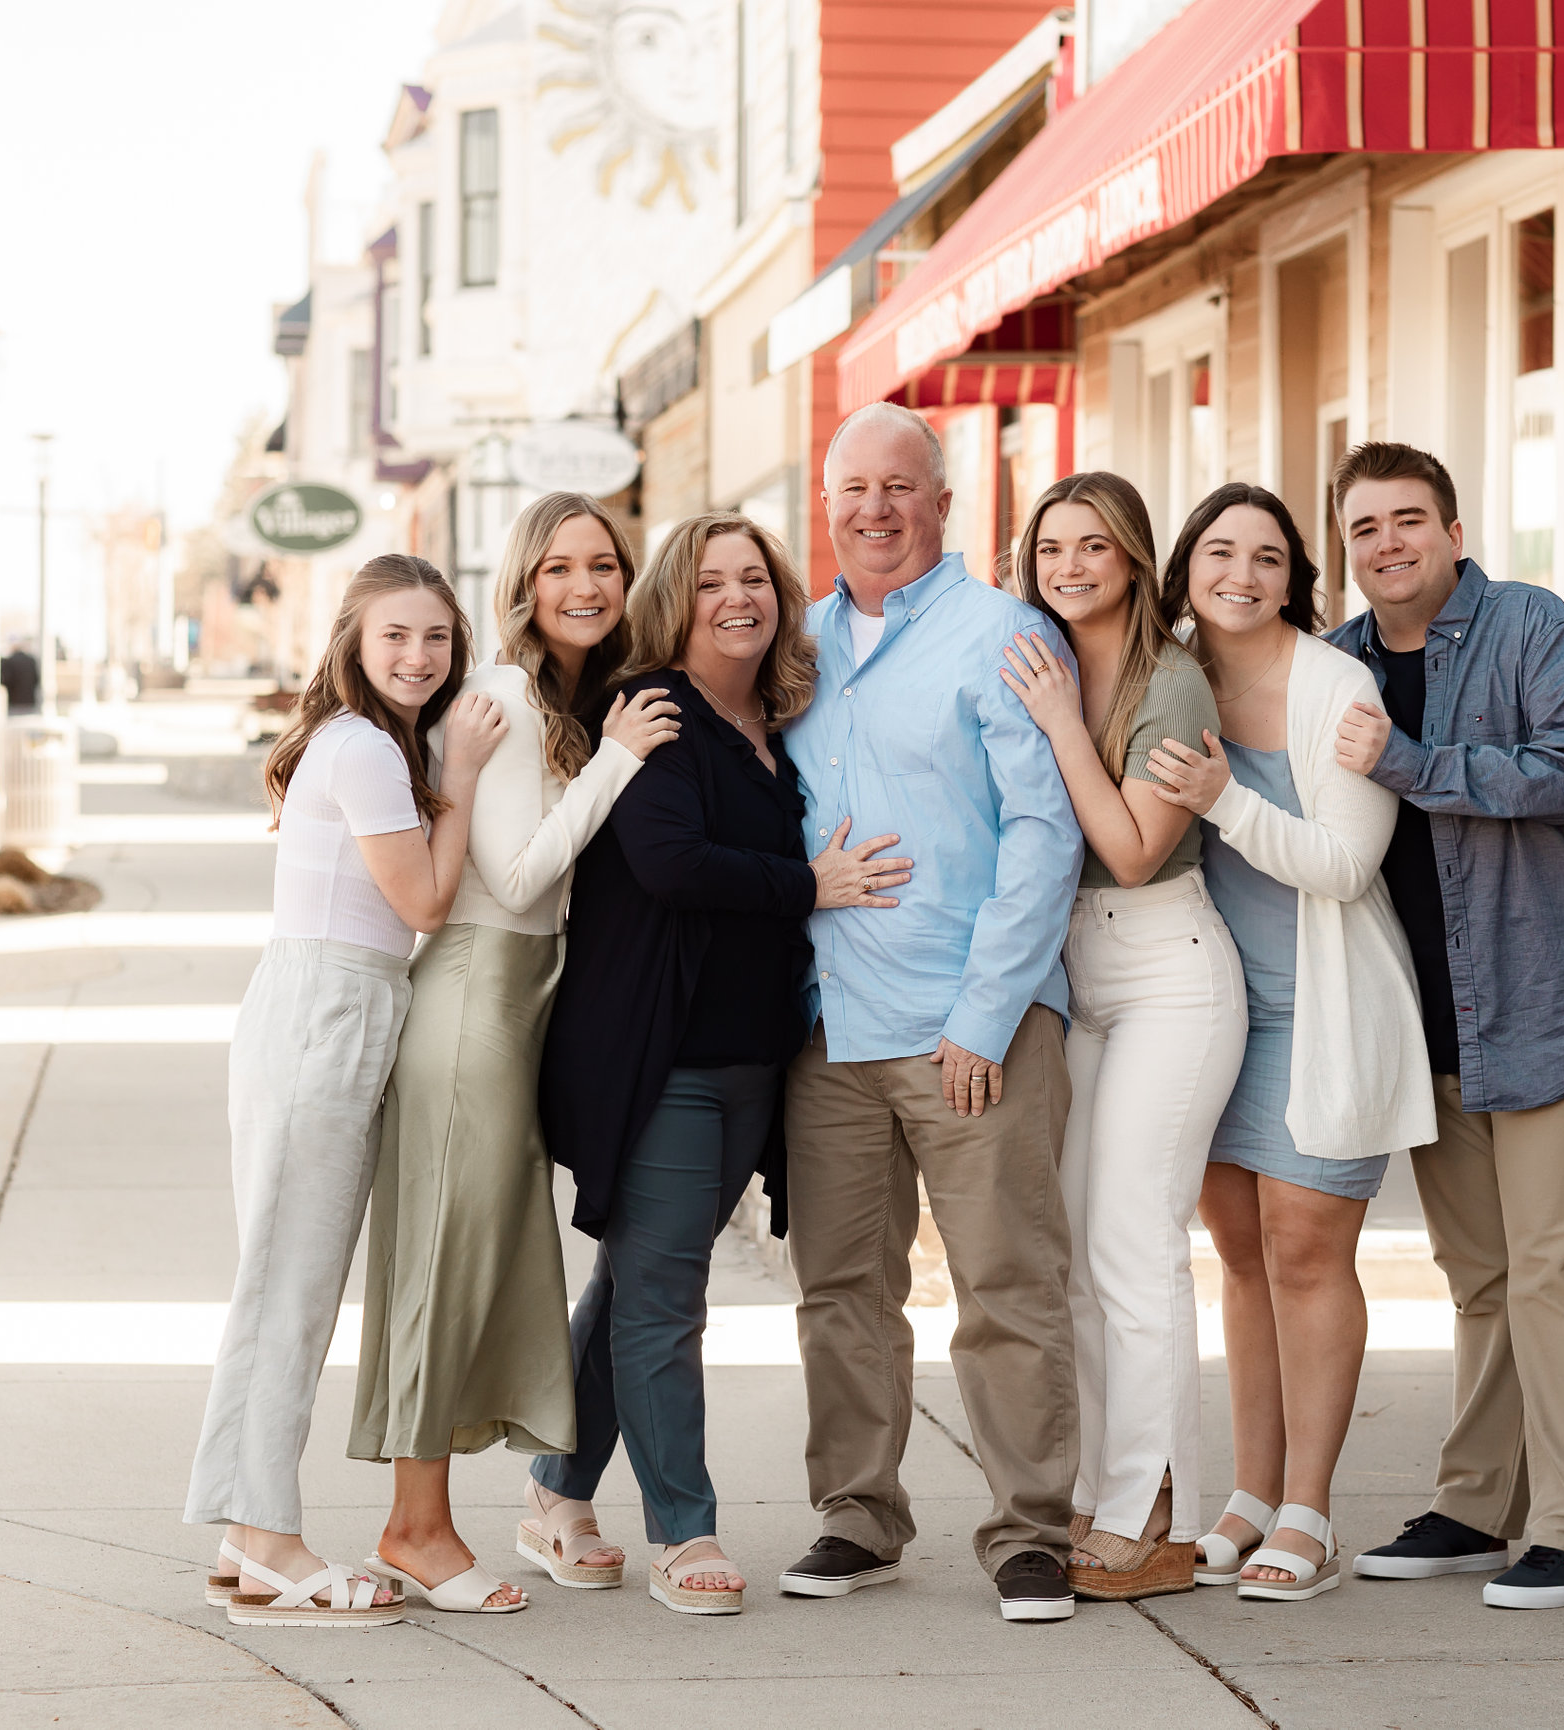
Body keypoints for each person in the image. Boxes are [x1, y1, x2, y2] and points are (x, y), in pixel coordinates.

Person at [530, 513, 913, 1617]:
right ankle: (684, 1529)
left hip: (762, 1053)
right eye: (710, 583)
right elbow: (667, 859)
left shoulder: (781, 717)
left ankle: (556, 1483)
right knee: (663, 1293)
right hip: (666, 1056)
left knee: (637, 1278)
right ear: (674, 601)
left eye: (755, 578)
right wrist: (810, 883)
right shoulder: (653, 706)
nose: (736, 597)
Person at [1324, 442, 1564, 1611]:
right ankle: (1479, 1505)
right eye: (1364, 526)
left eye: (1409, 519)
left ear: (1454, 532)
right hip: (1430, 1020)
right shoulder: (1337, 666)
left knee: (1562, 1272)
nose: (1387, 543)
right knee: (1482, 1277)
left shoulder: (1533, 627)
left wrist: (1413, 762)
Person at [777, 402, 1085, 1624]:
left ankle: (1030, 1531)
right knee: (841, 1284)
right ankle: (858, 1512)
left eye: (899, 489)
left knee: (1007, 1278)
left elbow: (1042, 831)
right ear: (828, 504)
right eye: (853, 490)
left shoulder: (1003, 635)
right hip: (830, 1026)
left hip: (974, 1021)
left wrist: (986, 1012)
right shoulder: (794, 647)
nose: (875, 511)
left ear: (943, 505)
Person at [346, 494, 681, 1614]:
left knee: (480, 1253)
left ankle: (426, 1519)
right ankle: (414, 1526)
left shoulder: (570, 700)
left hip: (527, 997)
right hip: (476, 995)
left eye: (603, 566)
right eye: (560, 567)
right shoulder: (495, 696)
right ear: (524, 583)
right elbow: (525, 874)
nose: (584, 585)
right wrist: (619, 762)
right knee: (445, 1252)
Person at [185, 553, 506, 1628]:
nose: (419, 657)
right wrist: (457, 771)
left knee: (288, 1277)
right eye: (396, 637)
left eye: (437, 638)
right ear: (354, 646)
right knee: (290, 1283)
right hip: (325, 1010)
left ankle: (243, 1528)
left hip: (338, 1005)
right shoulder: (369, 748)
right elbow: (420, 899)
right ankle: (271, 1536)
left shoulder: (374, 744)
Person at [1145, 483, 1437, 1604]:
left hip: (1322, 1008)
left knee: (1308, 1249)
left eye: (1268, 556)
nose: (1243, 573)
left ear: (1293, 578)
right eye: (1220, 551)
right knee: (1241, 1253)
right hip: (1210, 1008)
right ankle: (1248, 1496)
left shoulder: (1335, 685)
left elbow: (1344, 864)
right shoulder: (1170, 674)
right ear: (1186, 568)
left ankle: (1308, 1508)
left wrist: (1222, 798)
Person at [994, 472, 1243, 1603]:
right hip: (1075, 972)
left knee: (1138, 1243)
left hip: (1167, 974)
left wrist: (1059, 729)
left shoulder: (1170, 679)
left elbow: (1137, 847)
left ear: (1136, 560)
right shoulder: (1037, 655)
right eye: (1053, 545)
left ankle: (1161, 1513)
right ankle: (1102, 1481)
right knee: (1080, 1256)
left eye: (1096, 545)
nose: (1072, 564)